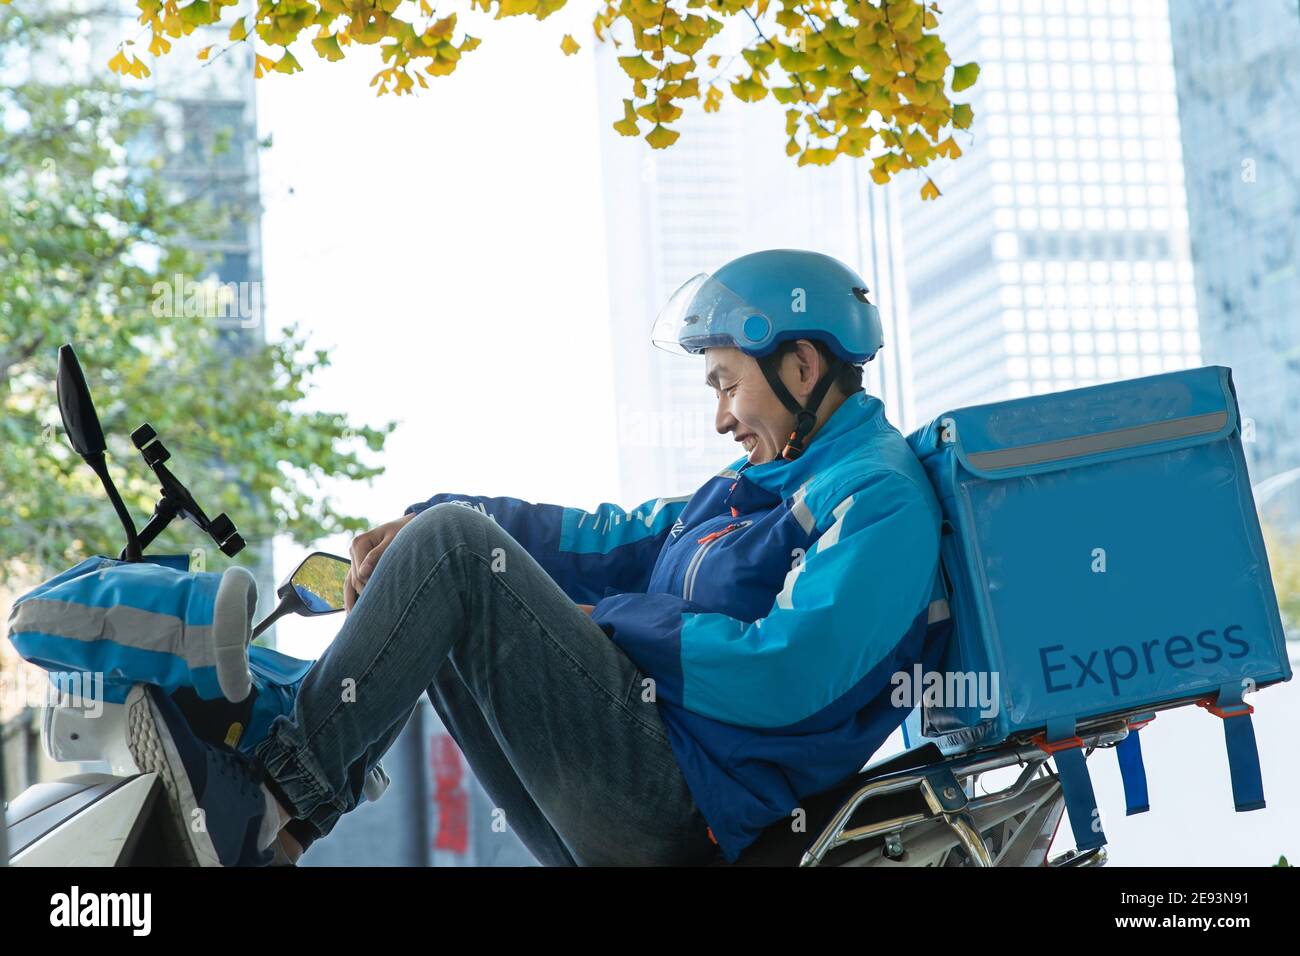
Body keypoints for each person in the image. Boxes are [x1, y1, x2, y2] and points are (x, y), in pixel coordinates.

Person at [124, 248, 948, 867]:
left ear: (801, 365)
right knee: (447, 542)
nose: (723, 417)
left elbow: (787, 672)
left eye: (728, 383)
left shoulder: (876, 500)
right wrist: (431, 517)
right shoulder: (749, 487)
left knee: (454, 552)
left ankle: (266, 802)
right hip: (647, 778)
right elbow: (605, 539)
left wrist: (610, 625)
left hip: (688, 798)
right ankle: (276, 824)